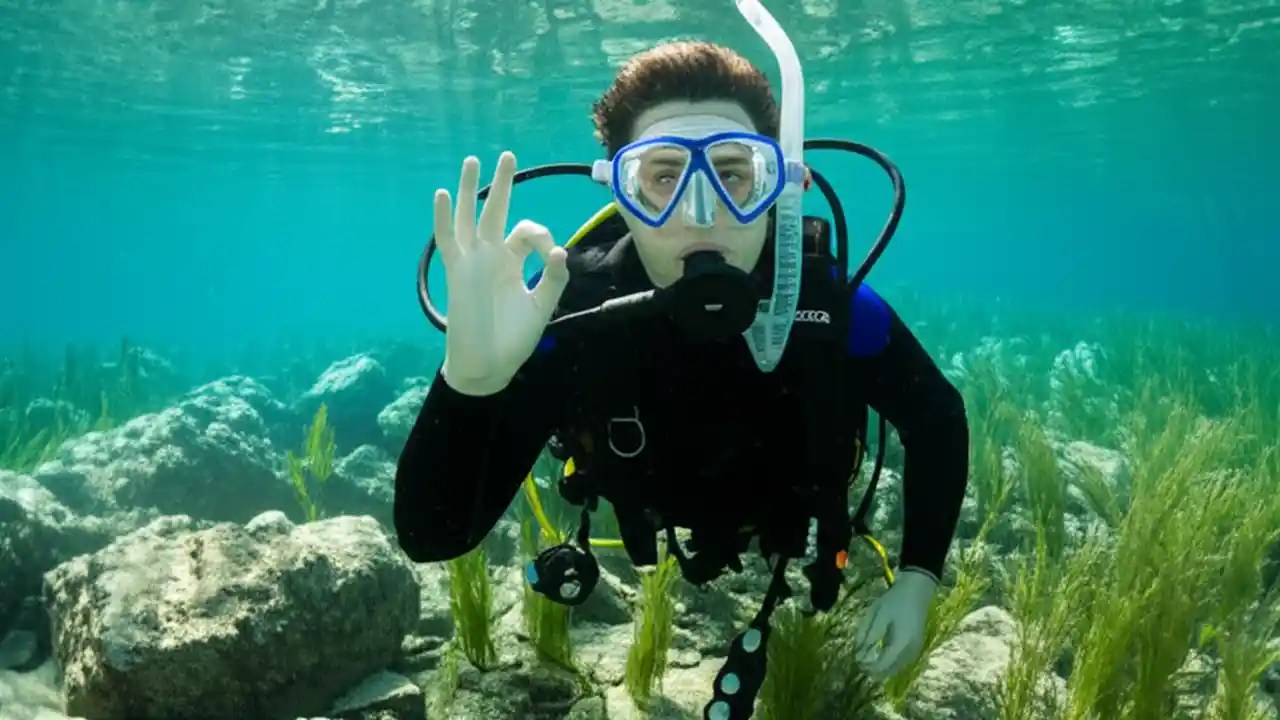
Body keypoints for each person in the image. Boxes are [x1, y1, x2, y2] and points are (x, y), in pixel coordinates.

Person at [395, 4, 968, 718]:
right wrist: (469, 385)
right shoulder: (574, 318)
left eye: (734, 173)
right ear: (621, 193)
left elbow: (939, 417)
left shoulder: (828, 307)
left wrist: (919, 576)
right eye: (661, 178)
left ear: (780, 183)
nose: (701, 212)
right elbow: (431, 535)